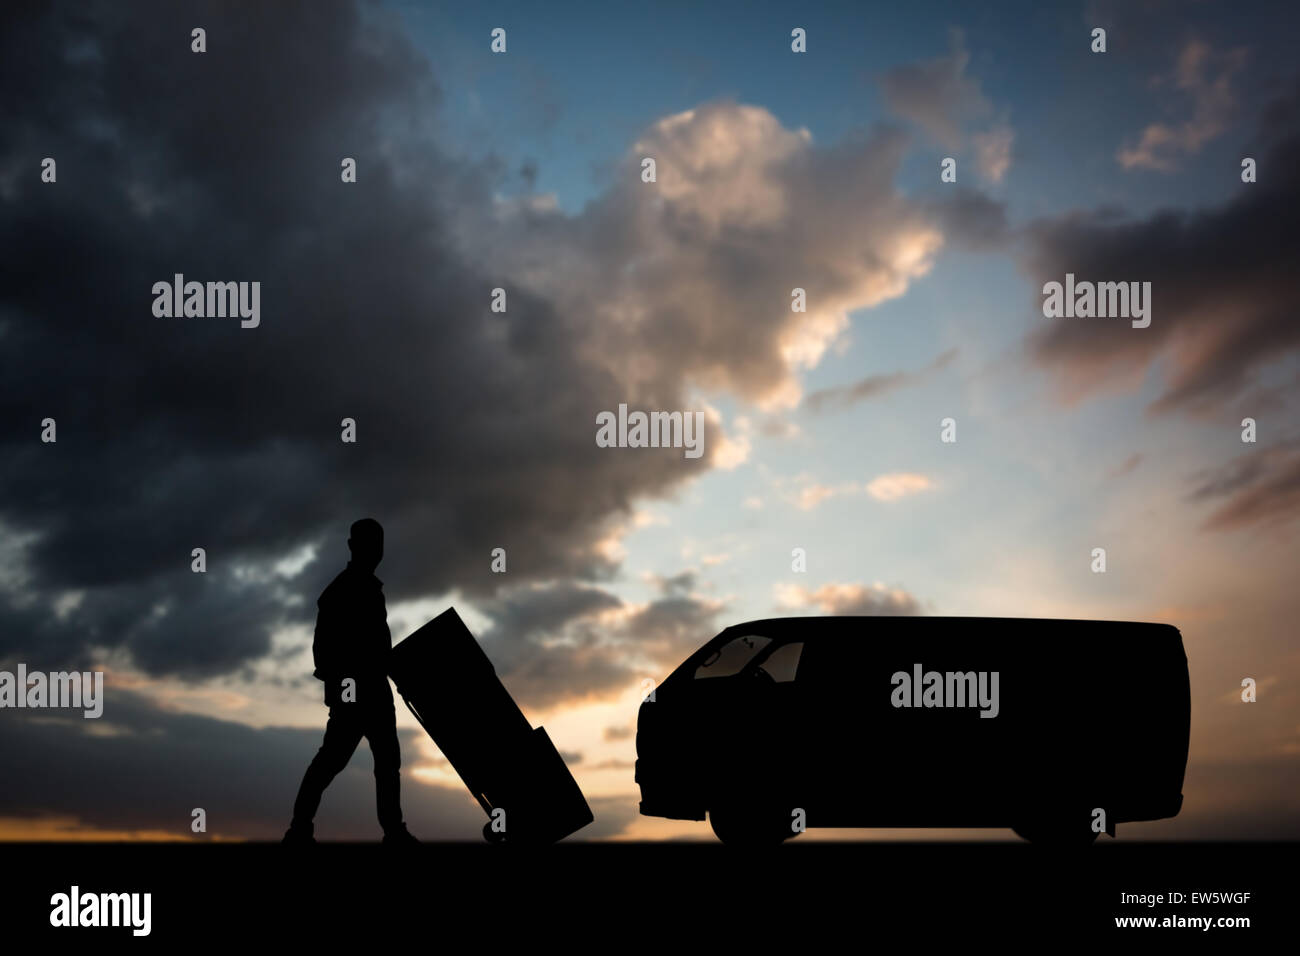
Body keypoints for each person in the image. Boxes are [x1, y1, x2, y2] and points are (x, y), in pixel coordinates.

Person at [284, 518, 418, 844]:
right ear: (353, 546)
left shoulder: (368, 588)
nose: (375, 551)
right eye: (369, 543)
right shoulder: (341, 591)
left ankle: (393, 831)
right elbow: (324, 648)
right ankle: (300, 829)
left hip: (373, 688)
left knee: (385, 761)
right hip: (357, 689)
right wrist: (344, 688)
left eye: (378, 544)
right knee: (334, 758)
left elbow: (376, 646)